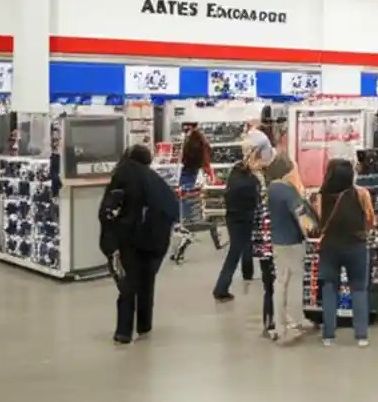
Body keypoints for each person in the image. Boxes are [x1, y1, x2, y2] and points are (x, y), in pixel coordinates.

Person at [99, 144, 178, 344]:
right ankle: (144, 325)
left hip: (131, 237)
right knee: (147, 282)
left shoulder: (124, 173)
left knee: (128, 283)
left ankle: (124, 332)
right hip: (156, 239)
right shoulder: (155, 180)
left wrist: (111, 237)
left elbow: (109, 208)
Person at [313, 158, 376, 347]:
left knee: (330, 288)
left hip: (330, 247)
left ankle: (328, 335)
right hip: (356, 245)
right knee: (358, 289)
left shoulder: (320, 196)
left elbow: (317, 223)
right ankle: (361, 335)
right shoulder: (361, 194)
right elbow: (371, 219)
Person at [212, 130, 273, 302]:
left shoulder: (236, 171)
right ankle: (221, 288)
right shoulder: (249, 181)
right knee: (235, 252)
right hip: (242, 219)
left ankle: (247, 273)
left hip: (235, 217)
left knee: (241, 248)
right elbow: (254, 199)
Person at [265, 154, 317, 344]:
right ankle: (295, 321)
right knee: (293, 282)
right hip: (292, 243)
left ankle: (280, 324)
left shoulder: (271, 189)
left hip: (278, 241)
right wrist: (312, 229)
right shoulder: (288, 191)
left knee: (280, 283)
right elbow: (302, 217)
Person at [176, 125, 221, 253]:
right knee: (192, 221)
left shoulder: (187, 154)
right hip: (192, 185)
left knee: (187, 220)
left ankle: (183, 243)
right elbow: (206, 166)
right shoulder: (200, 152)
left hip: (186, 186)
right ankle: (212, 231)